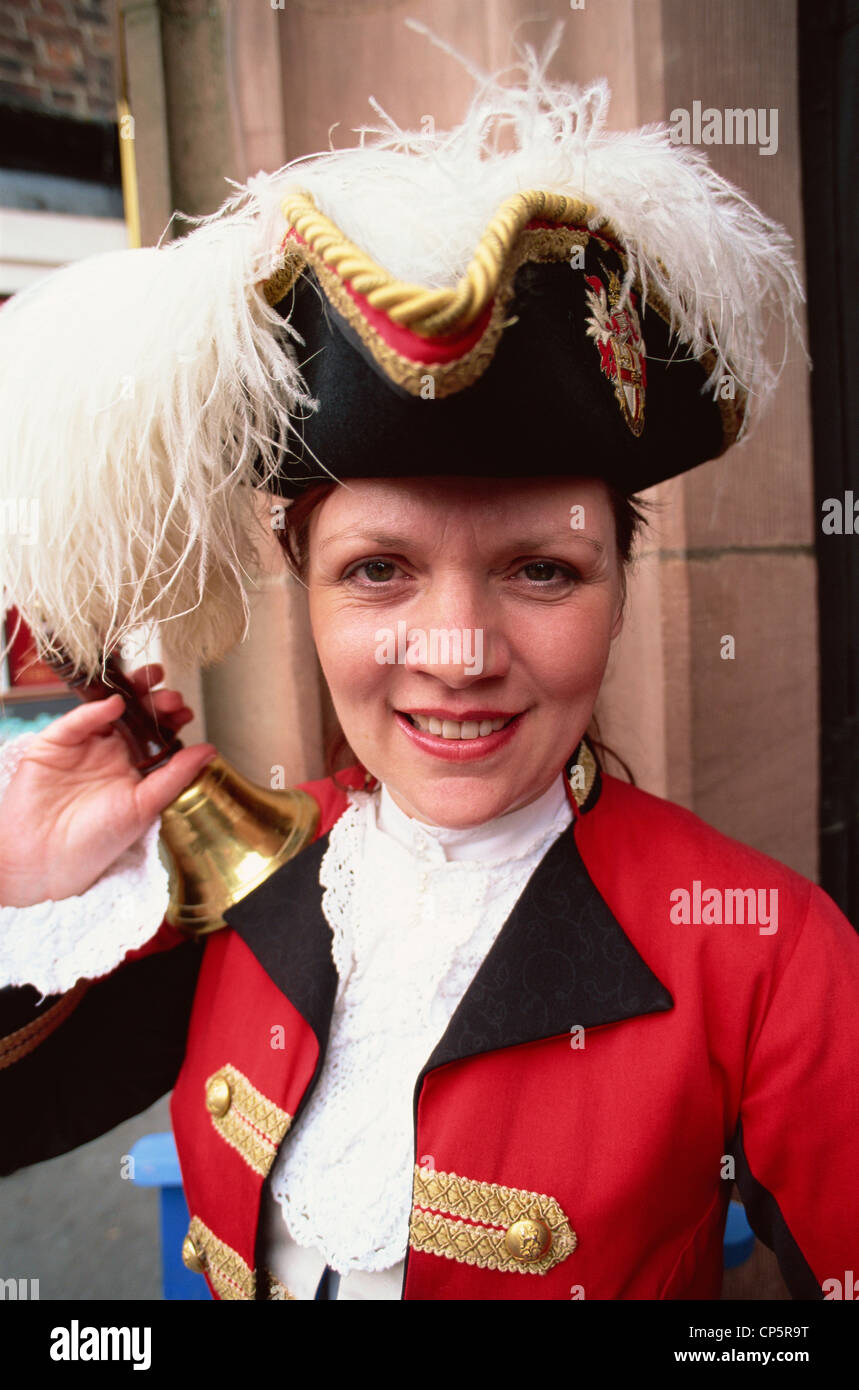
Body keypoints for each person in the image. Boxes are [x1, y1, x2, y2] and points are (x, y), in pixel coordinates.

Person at [0, 46, 856, 1302]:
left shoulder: (770, 954)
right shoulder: (241, 882)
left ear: (619, 588)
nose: (456, 654)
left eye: (542, 572)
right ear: (301, 582)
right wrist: (29, 893)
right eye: (378, 571)